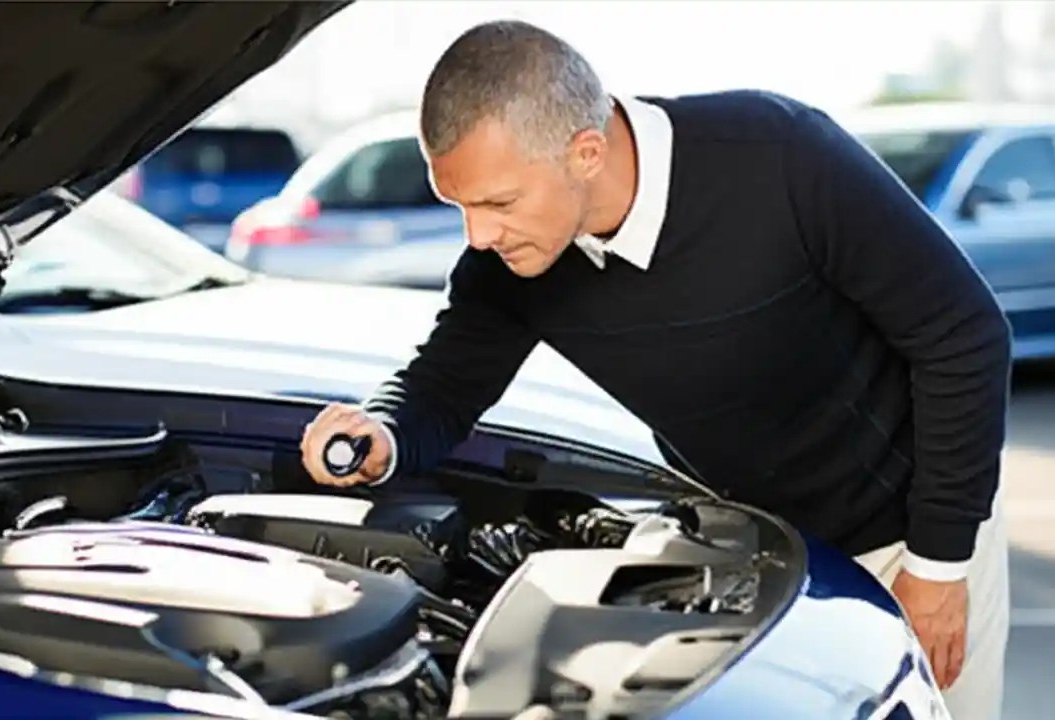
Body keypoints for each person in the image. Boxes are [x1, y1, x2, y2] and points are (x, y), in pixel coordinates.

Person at [299, 19, 1011, 719]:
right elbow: (441, 388)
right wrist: (382, 432)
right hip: (755, 556)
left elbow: (964, 336)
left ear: (585, 153)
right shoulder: (510, 261)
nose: (478, 235)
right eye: (459, 206)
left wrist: (938, 567)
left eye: (497, 203)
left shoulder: (780, 156)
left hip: (907, 535)